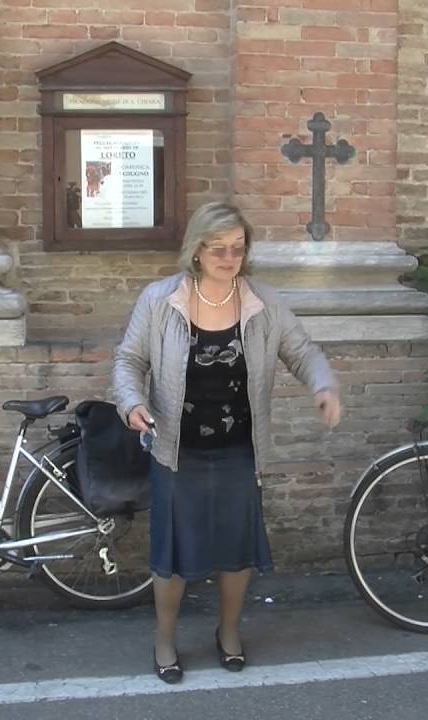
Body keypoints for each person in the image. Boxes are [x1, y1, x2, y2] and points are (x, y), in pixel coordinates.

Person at [112, 201, 342, 685]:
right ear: (196, 249)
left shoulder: (263, 302)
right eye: (218, 248)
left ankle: (229, 631)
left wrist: (323, 386)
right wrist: (131, 402)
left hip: (239, 448)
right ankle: (165, 636)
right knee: (172, 554)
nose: (228, 257)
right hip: (175, 447)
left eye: (237, 248)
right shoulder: (160, 300)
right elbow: (128, 361)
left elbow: (303, 352)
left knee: (237, 550)